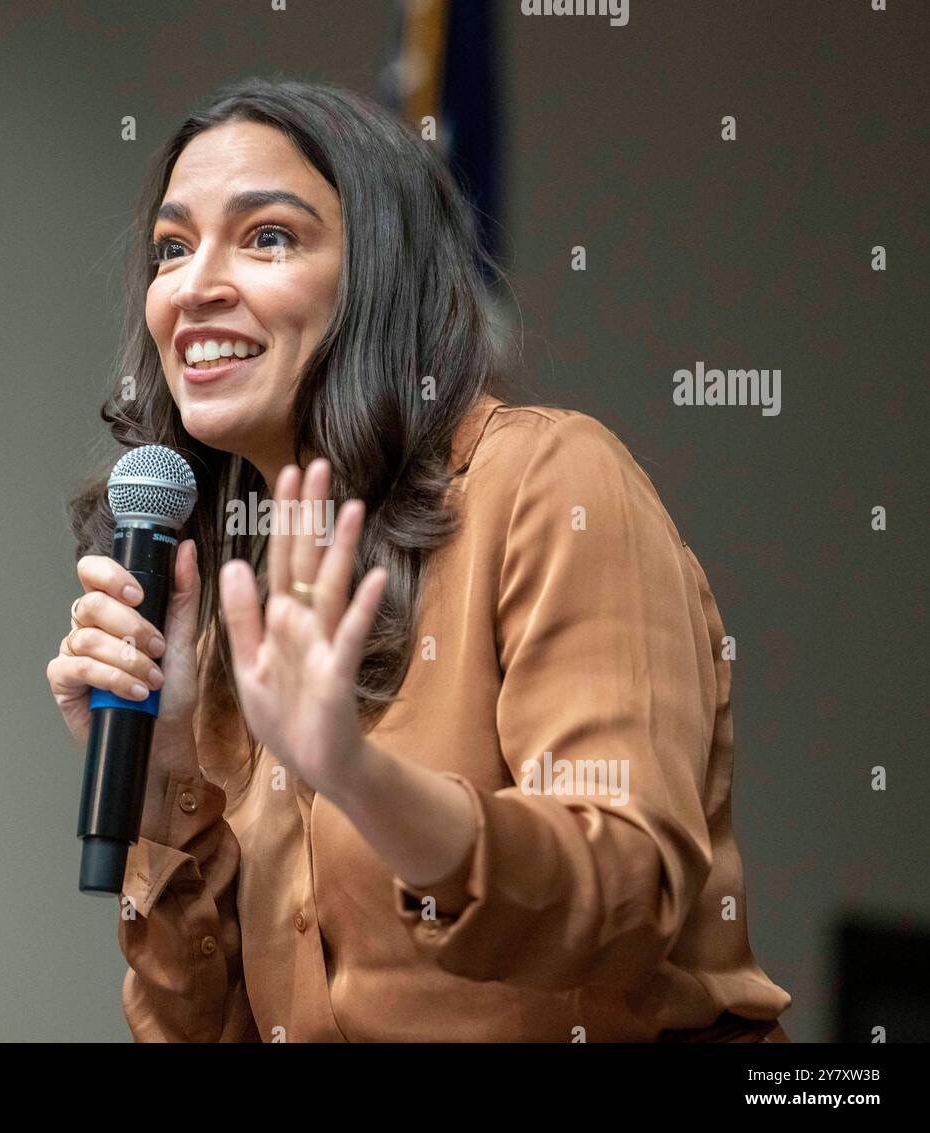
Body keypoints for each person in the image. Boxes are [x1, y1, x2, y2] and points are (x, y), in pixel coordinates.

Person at [47, 77, 792, 1042]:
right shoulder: (221, 576)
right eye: (173, 248)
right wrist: (165, 782)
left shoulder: (548, 481)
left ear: (380, 276)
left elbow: (625, 894)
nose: (194, 286)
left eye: (268, 236)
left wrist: (356, 776)